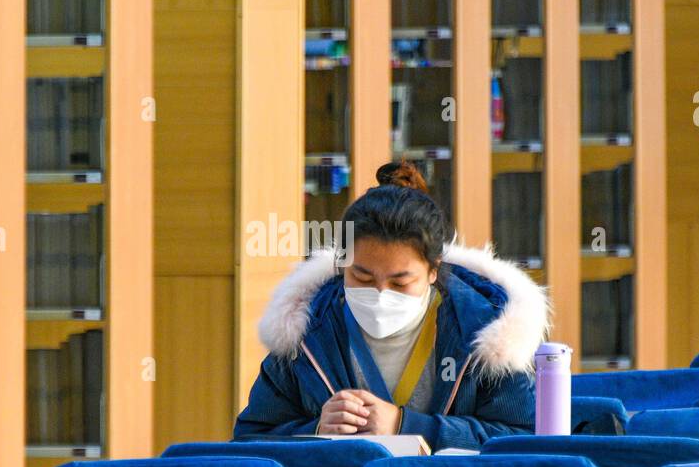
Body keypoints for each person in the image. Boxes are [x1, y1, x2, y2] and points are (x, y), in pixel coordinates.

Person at [233, 161, 549, 450]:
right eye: (363, 277)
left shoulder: (486, 332)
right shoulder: (306, 331)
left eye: (400, 283)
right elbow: (249, 441)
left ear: (433, 270)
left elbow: (524, 440)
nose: (381, 294)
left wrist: (405, 425)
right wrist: (314, 430)